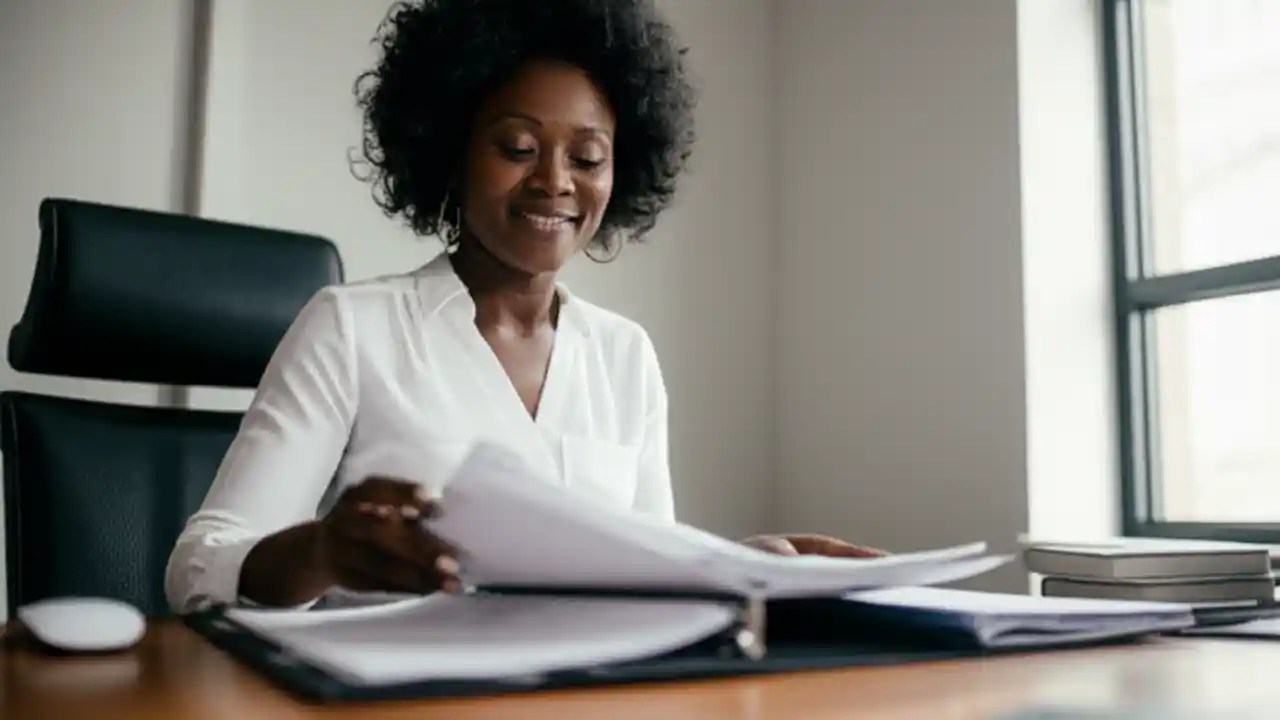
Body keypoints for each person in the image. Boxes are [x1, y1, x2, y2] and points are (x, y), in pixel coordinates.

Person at [165, 0, 881, 614]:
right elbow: (200, 566)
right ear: (452, 153)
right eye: (517, 147)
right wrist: (323, 551)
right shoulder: (353, 328)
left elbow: (649, 581)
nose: (555, 181)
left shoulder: (624, 355)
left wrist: (746, 564)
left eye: (587, 158)